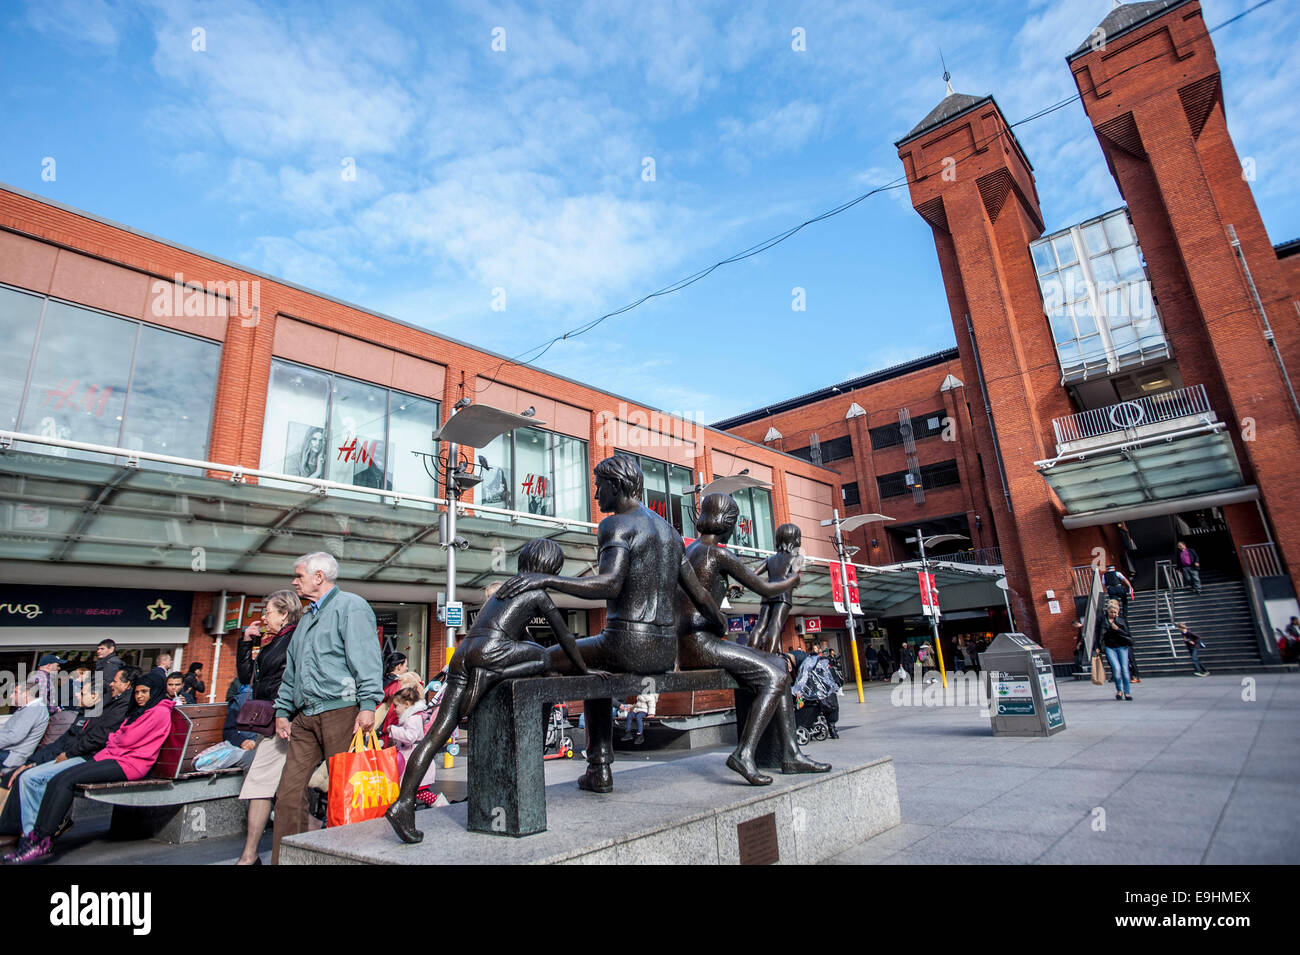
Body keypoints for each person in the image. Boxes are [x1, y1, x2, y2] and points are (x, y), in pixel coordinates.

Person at [494, 454, 723, 795]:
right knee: (591, 667)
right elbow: (701, 596)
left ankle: (525, 777)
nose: (597, 496)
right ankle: (597, 769)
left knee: (541, 663)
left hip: (626, 645)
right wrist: (719, 626)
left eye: (600, 487)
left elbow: (609, 584)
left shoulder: (616, 525)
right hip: (662, 651)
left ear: (617, 486)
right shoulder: (671, 533)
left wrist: (545, 580)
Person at [386, 537, 597, 843]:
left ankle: (403, 806)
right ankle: (492, 674)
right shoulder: (536, 592)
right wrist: (583, 668)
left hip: (465, 652)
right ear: (551, 566)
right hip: (491, 655)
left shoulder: (508, 588)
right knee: (542, 656)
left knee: (436, 735)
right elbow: (563, 636)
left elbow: (512, 629)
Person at [673, 493, 829, 784]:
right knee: (774, 676)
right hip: (702, 645)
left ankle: (791, 753)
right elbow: (766, 589)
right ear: (728, 523)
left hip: (690, 645)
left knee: (778, 667)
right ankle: (744, 753)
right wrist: (794, 579)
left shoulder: (691, 551)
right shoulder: (717, 554)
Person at [272, 552, 382, 865]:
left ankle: (352, 856)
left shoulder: (351, 606)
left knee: (345, 793)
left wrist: (368, 704)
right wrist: (282, 710)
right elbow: (291, 672)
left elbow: (366, 658)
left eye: (299, 575)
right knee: (288, 794)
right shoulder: (305, 619)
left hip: (343, 712)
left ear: (319, 576)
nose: (294, 581)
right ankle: (285, 860)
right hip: (306, 716)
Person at [3, 671, 174, 865]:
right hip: (113, 757)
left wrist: (116, 739)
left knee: (65, 781)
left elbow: (124, 738)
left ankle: (41, 840)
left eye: (144, 692)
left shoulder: (159, 711)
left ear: (156, 691)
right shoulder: (141, 710)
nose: (140, 696)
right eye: (137, 692)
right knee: (59, 778)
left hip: (130, 764)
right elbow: (120, 735)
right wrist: (116, 739)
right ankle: (36, 836)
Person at [0, 666, 135, 848]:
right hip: (67, 756)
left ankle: (33, 834)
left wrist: (65, 755)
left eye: (82, 692)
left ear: (95, 696)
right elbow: (62, 743)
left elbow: (90, 742)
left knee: (31, 778)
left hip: (84, 759)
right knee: (22, 774)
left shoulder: (102, 715)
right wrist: (33, 761)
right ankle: (20, 829)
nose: (76, 696)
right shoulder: (84, 715)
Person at [235, 589, 299, 866]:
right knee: (286, 791)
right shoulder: (275, 642)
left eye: (269, 612)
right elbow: (245, 676)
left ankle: (249, 856)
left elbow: (292, 680)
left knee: (260, 784)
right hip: (271, 722)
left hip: (282, 722)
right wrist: (246, 643)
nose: (264, 617)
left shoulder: (295, 640)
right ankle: (318, 834)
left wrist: (285, 712)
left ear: (284, 614)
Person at [750, 523, 804, 654]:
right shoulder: (797, 557)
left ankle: (749, 653)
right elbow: (794, 576)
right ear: (796, 539)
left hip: (767, 593)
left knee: (760, 625)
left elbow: (752, 575)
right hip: (783, 595)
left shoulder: (770, 559)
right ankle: (770, 658)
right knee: (775, 625)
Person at [387, 686, 436, 790]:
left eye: (396, 706)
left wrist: (393, 730)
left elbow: (410, 737)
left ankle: (440, 803)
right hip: (413, 758)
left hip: (414, 759)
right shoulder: (413, 717)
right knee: (411, 789)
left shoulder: (413, 719)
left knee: (416, 790)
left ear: (406, 705)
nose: (394, 709)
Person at [793, 646, 842, 738]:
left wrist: (797, 689)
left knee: (813, 708)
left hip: (815, 692)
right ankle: (832, 729)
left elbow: (803, 678)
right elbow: (832, 676)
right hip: (827, 691)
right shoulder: (824, 661)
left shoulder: (807, 662)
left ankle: (808, 726)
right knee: (831, 708)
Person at [0, 683, 50, 769]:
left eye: (15, 692)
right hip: (7, 750)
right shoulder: (30, 708)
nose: (11, 696)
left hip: (11, 755)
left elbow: (14, 736)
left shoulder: (34, 709)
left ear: (25, 693)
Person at [1095, 599, 1134, 701]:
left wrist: (1118, 629)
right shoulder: (1102, 620)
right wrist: (1098, 646)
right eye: (1111, 612)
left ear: (1118, 612)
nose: (1113, 614)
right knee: (1116, 669)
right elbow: (1098, 634)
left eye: (1115, 612)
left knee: (1125, 669)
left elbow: (1127, 634)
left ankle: (1127, 692)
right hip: (1109, 647)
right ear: (1107, 611)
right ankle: (1119, 690)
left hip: (1122, 646)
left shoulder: (1121, 620)